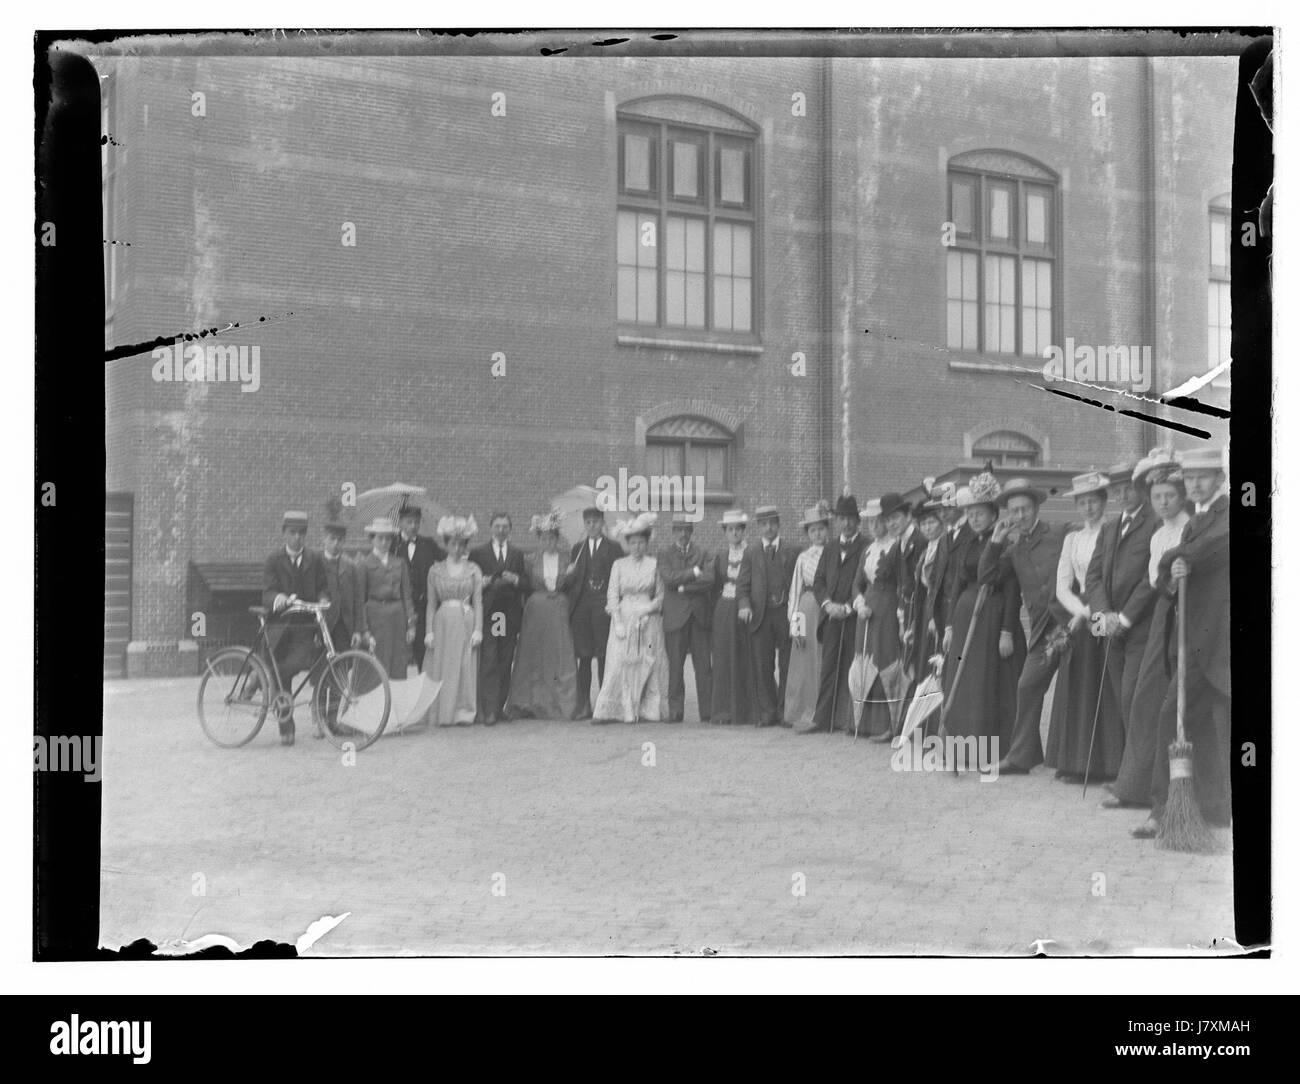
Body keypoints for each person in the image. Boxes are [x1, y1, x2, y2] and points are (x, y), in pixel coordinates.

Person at [1134, 447, 1231, 838]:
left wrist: (1176, 557)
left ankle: (1216, 808)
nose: (1195, 484)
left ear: (1220, 479)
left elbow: (1204, 552)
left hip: (1222, 642)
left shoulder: (1227, 517)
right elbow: (1164, 581)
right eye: (1189, 478)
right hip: (1192, 641)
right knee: (1175, 719)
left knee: (1218, 727)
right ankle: (1167, 808)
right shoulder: (1194, 523)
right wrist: (1172, 576)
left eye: (1203, 477)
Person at [1104, 452, 1189, 810]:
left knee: (1175, 707)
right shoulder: (1159, 535)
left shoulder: (1191, 527)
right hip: (1161, 618)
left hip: (1187, 618)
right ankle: (1135, 787)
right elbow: (1155, 580)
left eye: (1169, 495)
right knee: (1144, 702)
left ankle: (1174, 794)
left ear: (1181, 496)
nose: (1163, 502)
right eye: (1157, 497)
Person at [981, 478, 1069, 776]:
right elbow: (988, 576)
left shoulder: (1060, 532)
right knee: (1028, 685)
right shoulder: (1014, 548)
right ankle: (1021, 757)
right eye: (1015, 511)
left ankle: (1079, 760)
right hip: (1046, 631)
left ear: (1036, 508)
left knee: (1079, 685)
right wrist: (995, 540)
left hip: (1072, 623)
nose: (1020, 516)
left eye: (1026, 509)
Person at [1044, 471, 1124, 782]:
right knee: (1078, 683)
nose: (1088, 508)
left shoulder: (1113, 532)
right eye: (1083, 502)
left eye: (1094, 501)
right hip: (1079, 617)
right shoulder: (1072, 538)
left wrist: (1092, 612)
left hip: (1104, 611)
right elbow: (1062, 585)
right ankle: (1075, 762)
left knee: (1103, 680)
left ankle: (1107, 764)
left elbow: (1108, 579)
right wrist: (1079, 613)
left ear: (1104, 502)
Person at [940, 471, 1024, 756]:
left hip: (991, 617)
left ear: (992, 514)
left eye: (979, 514)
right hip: (964, 619)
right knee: (963, 680)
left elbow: (1012, 590)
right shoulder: (967, 543)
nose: (974, 519)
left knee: (984, 681)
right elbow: (956, 585)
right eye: (970, 514)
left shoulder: (1005, 543)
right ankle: (961, 745)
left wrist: (1007, 631)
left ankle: (988, 748)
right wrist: (950, 626)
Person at [1086, 460, 1159, 742]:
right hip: (1109, 627)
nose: (1122, 495)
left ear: (1142, 488)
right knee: (1121, 700)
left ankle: (1141, 780)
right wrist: (1104, 615)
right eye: (1117, 490)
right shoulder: (1109, 528)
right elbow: (1092, 577)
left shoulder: (1155, 523)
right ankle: (1133, 776)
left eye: (1128, 488)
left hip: (1141, 626)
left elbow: (1150, 577)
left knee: (1135, 699)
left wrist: (1125, 618)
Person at [260, 510, 330, 745]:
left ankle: (259, 678)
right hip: (280, 626)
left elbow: (322, 586)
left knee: (292, 666)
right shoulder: (273, 560)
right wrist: (279, 598)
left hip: (304, 626)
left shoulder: (314, 559)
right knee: (282, 675)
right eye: (292, 533)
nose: (297, 538)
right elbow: (267, 592)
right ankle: (285, 728)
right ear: (284, 534)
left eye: (301, 533)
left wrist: (321, 598)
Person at [799, 495, 867, 734]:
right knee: (828, 667)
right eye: (842, 519)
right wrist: (827, 604)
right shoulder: (830, 547)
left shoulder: (866, 546)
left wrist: (848, 607)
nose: (846, 524)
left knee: (853, 667)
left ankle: (851, 721)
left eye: (851, 519)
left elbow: (866, 582)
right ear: (836, 521)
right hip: (830, 616)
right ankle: (822, 719)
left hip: (853, 616)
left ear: (858, 521)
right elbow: (818, 581)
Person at [592, 513, 668, 723]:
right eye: (633, 543)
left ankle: (646, 709)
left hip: (647, 618)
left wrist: (646, 609)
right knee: (618, 662)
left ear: (646, 543)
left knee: (647, 661)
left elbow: (661, 595)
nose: (637, 547)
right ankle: (614, 709)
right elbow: (612, 594)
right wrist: (617, 622)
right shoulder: (619, 564)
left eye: (641, 542)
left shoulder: (654, 564)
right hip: (624, 617)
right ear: (627, 544)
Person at [503, 511, 579, 721]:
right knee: (533, 655)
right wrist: (516, 579)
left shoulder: (567, 558)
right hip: (536, 611)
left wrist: (571, 574)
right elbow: (525, 585)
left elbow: (571, 587)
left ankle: (560, 704)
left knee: (559, 654)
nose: (548, 542)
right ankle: (529, 703)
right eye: (544, 538)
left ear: (557, 539)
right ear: (539, 539)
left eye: (552, 538)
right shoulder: (530, 560)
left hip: (559, 610)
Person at [851, 497, 908, 742]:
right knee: (865, 660)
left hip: (888, 609)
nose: (873, 527)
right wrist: (859, 602)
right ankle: (864, 721)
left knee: (886, 658)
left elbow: (904, 583)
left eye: (877, 521)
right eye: (869, 522)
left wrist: (901, 615)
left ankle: (890, 724)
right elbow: (857, 583)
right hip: (867, 612)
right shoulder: (867, 550)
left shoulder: (896, 547)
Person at [740, 506, 800, 727]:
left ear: (779, 524)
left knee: (787, 664)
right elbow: (742, 584)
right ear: (758, 527)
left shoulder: (793, 551)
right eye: (764, 524)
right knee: (763, 665)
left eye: (772, 523)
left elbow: (800, 584)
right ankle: (768, 711)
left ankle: (785, 711)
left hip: (785, 614)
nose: (769, 528)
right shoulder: (752, 552)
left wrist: (797, 617)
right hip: (761, 615)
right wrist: (744, 605)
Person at [562, 506, 624, 719]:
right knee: (584, 657)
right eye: (588, 522)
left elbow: (619, 579)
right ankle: (583, 705)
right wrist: (568, 575)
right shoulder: (577, 549)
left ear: (602, 523)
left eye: (595, 522)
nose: (592, 526)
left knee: (604, 656)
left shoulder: (613, 548)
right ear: (584, 524)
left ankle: (604, 704)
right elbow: (569, 584)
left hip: (603, 608)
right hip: (582, 608)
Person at [470, 512, 530, 725]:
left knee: (505, 661)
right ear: (490, 527)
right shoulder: (478, 553)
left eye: (505, 526)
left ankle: (499, 706)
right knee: (489, 661)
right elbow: (471, 582)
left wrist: (515, 579)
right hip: (490, 614)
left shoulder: (516, 553)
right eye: (497, 526)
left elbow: (526, 583)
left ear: (510, 529)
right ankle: (488, 710)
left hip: (507, 615)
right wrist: (482, 583)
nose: (501, 530)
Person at [425, 515, 484, 726]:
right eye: (453, 544)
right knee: (442, 665)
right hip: (442, 623)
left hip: (465, 621)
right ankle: (441, 713)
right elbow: (431, 604)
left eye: (461, 544)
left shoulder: (473, 570)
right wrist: (428, 631)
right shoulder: (435, 570)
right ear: (446, 544)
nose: (457, 548)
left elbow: (478, 601)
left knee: (463, 666)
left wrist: (479, 629)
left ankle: (463, 712)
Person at [658, 513, 714, 723]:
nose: (683, 534)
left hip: (699, 615)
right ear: (673, 532)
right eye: (679, 530)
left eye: (687, 530)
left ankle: (707, 711)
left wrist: (683, 586)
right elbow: (668, 579)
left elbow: (709, 579)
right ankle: (675, 711)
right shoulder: (664, 554)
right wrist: (694, 571)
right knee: (675, 665)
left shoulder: (703, 552)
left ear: (692, 532)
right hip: (675, 616)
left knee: (703, 666)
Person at [315, 509, 364, 738]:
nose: (336, 544)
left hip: (344, 627)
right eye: (332, 539)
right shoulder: (315, 564)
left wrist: (357, 629)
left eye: (340, 540)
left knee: (340, 675)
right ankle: (318, 719)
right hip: (323, 627)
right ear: (324, 539)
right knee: (321, 674)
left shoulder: (350, 567)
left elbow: (357, 600)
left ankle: (333, 719)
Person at [783, 502, 831, 729]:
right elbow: (795, 590)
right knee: (804, 661)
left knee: (823, 659)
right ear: (808, 533)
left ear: (827, 530)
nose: (818, 534)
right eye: (813, 530)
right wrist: (795, 625)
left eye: (821, 528)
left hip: (827, 608)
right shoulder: (804, 557)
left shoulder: (834, 553)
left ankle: (823, 712)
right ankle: (800, 711)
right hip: (807, 606)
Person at [905, 496, 948, 738]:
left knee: (937, 666)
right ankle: (922, 726)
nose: (928, 527)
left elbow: (940, 586)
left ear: (940, 523)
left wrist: (935, 617)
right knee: (923, 666)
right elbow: (920, 590)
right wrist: (915, 620)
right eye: (924, 524)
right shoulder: (925, 550)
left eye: (932, 522)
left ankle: (937, 728)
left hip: (939, 613)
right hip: (924, 614)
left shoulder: (945, 546)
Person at [710, 510, 757, 726]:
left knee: (744, 656)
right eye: (730, 529)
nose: (735, 533)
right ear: (725, 533)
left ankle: (745, 710)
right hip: (724, 609)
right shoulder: (720, 556)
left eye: (738, 529)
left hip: (744, 610)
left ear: (743, 530)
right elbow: (716, 584)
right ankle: (723, 711)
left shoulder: (753, 553)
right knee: (724, 657)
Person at [393, 504, 446, 674]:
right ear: (400, 523)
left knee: (423, 651)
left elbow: (447, 561)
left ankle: (423, 689)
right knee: (399, 653)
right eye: (409, 522)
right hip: (399, 608)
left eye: (417, 522)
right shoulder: (392, 544)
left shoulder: (428, 544)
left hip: (424, 606)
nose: (414, 526)